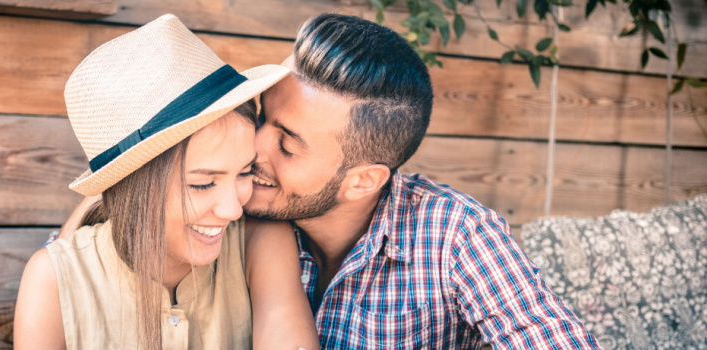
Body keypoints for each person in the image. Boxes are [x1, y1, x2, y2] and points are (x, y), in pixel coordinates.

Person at [60, 13, 602, 349]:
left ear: (362, 181)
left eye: (288, 143)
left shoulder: (455, 234)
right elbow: (116, 221)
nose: (256, 147)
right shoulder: (234, 204)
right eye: (261, 115)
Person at [13, 14, 318, 350]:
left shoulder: (261, 241)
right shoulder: (53, 280)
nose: (233, 209)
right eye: (202, 184)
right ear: (134, 187)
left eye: (245, 172)